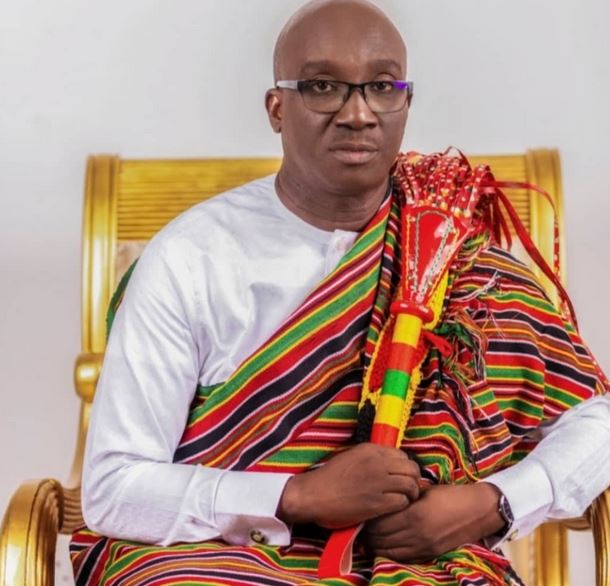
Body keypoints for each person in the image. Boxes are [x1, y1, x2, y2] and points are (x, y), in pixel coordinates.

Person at [70, 0, 610, 584]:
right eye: (323, 86)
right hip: (214, 558)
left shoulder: (454, 255)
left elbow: (596, 422)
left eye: (382, 86)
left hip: (423, 563)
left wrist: (494, 503)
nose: (358, 114)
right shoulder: (191, 257)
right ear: (277, 108)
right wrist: (295, 496)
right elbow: (114, 487)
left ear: (405, 103)